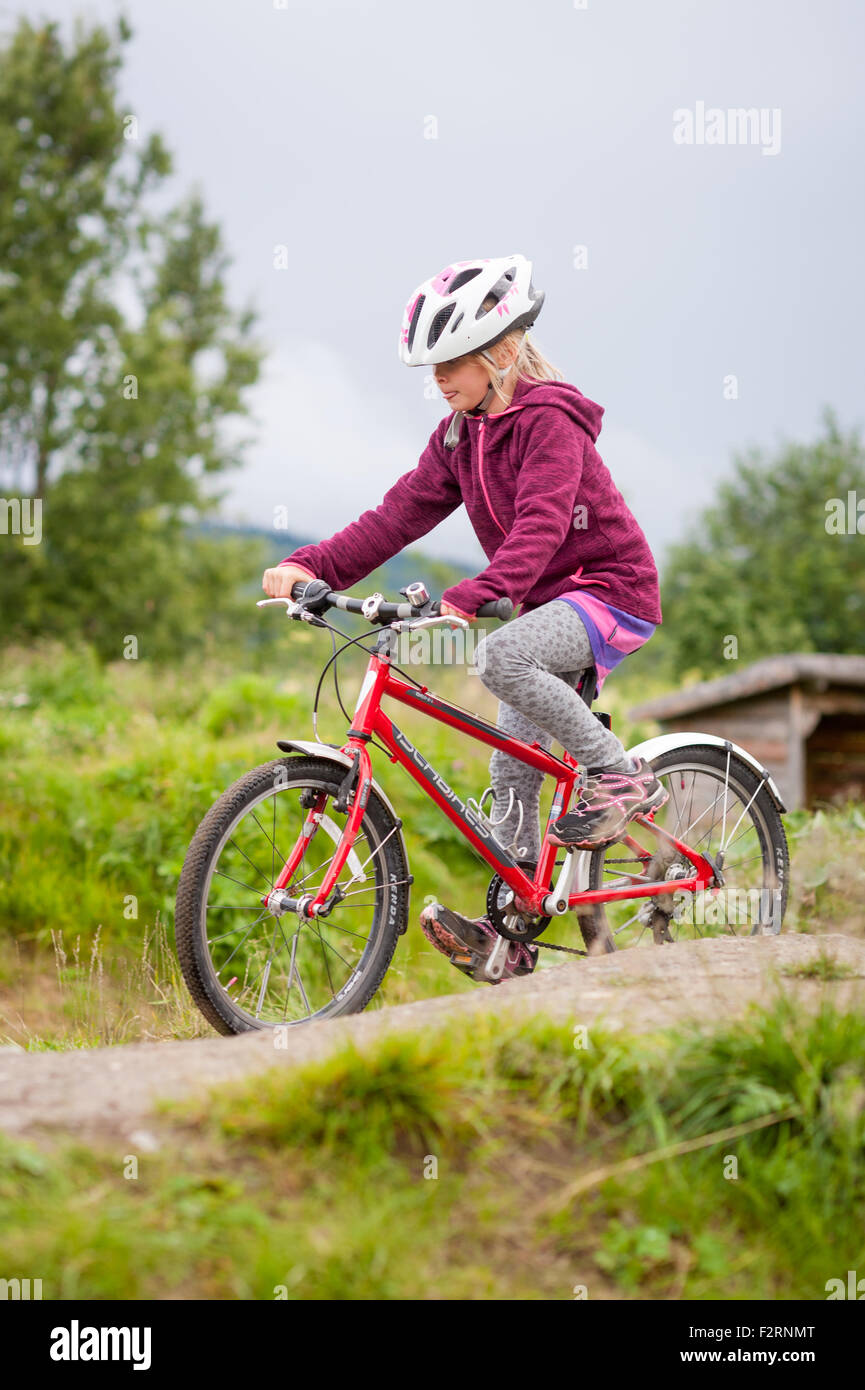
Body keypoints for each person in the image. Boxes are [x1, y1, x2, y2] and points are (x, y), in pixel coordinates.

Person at [263, 253, 667, 983]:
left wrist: (478, 592)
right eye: (432, 367)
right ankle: (512, 934)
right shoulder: (460, 435)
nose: (440, 380)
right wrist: (311, 567)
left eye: (452, 361)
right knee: (510, 769)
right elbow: (394, 518)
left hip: (606, 590)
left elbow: (543, 525)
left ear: (503, 351)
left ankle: (621, 779)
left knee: (499, 660)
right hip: (546, 603)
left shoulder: (549, 423)